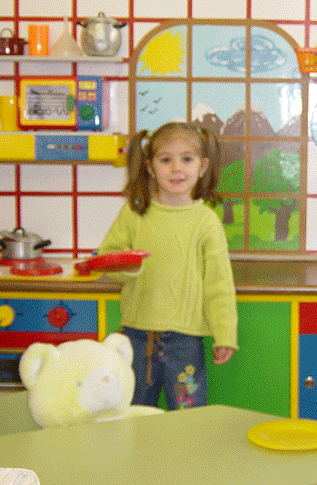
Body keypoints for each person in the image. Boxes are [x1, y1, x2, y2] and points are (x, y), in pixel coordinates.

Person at [98, 122, 238, 410]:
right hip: (137, 336)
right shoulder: (135, 213)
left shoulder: (206, 222)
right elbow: (109, 257)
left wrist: (225, 334)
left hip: (186, 342)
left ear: (202, 166)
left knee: (189, 419)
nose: (176, 168)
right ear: (150, 167)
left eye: (186, 159)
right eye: (166, 159)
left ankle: (188, 457)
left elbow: (219, 284)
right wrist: (130, 267)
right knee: (134, 413)